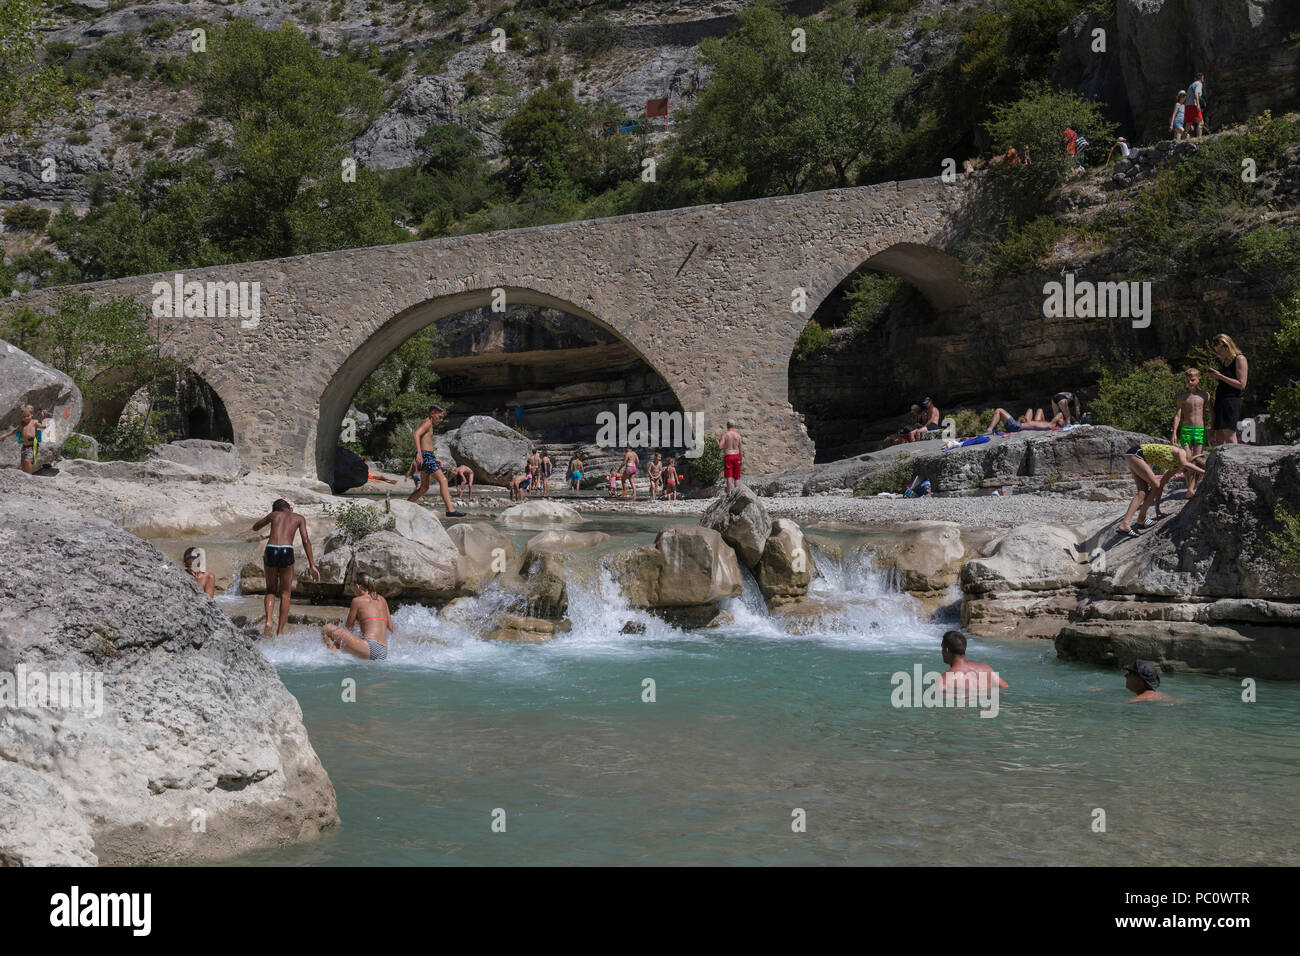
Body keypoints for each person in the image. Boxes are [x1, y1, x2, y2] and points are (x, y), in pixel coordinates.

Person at [252, 499, 320, 637]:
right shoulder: (299, 518)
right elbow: (306, 540)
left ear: (275, 510)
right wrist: (312, 564)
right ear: (291, 508)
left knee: (270, 590)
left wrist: (266, 520)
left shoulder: (274, 515)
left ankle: (269, 622)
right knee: (285, 593)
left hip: (271, 549)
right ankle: (280, 631)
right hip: (286, 550)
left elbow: (256, 527)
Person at [1115, 443, 1207, 537]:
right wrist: (1204, 471)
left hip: (1134, 456)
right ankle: (1136, 520)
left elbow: (1161, 485)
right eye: (1194, 471)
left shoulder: (1176, 467)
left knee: (1142, 492)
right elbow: (1185, 463)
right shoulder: (1182, 452)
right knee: (1155, 484)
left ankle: (1130, 522)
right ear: (1194, 464)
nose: (1192, 473)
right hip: (1136, 454)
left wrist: (1157, 509)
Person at [408, 405, 466, 517]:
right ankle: (450, 510)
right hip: (426, 456)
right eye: (439, 417)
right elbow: (416, 434)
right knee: (443, 480)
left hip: (428, 456)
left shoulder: (428, 423)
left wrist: (434, 458)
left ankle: (405, 504)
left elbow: (426, 442)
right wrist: (419, 453)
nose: (441, 420)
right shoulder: (427, 422)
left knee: (424, 487)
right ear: (432, 413)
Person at [322, 572, 393, 661]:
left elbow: (348, 628)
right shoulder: (382, 599)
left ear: (358, 586)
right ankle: (337, 656)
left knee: (327, 629)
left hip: (369, 647)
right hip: (383, 651)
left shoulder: (357, 601)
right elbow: (390, 628)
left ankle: (334, 659)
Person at [1171, 368, 1210, 495]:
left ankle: (1191, 488)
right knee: (1187, 459)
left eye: (1192, 380)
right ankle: (1190, 487)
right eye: (1187, 380)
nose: (1190, 382)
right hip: (1186, 429)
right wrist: (1174, 432)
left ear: (1199, 379)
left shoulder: (1205, 395)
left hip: (1200, 429)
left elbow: (1212, 412)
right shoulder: (1182, 397)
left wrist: (1213, 428)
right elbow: (1177, 415)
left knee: (1198, 460)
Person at [1207, 333, 1248, 446]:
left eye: (1220, 350)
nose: (1218, 353)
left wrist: (1220, 376)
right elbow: (1226, 382)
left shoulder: (1239, 359)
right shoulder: (1224, 361)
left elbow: (1241, 384)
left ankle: (1236, 461)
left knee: (1229, 434)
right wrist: (1216, 377)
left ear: (1227, 346)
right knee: (1219, 435)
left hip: (1231, 401)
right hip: (1220, 400)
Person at [938, 630, 1009, 693]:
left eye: (942, 648)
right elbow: (1005, 687)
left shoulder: (944, 680)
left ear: (947, 650)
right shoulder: (985, 668)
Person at [1, 404, 43, 475]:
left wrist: (44, 424)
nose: (26, 418)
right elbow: (15, 431)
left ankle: (30, 476)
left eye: (28, 416)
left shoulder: (34, 422)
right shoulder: (22, 425)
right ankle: (25, 477)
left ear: (32, 414)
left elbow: (40, 425)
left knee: (27, 461)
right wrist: (5, 435)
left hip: (32, 446)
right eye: (23, 417)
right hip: (24, 447)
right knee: (23, 464)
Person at [986, 408, 1064, 433]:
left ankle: (990, 429)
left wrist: (1065, 423)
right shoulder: (1047, 424)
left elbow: (1060, 414)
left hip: (1017, 426)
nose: (1060, 419)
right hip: (1017, 426)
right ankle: (993, 429)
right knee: (1032, 410)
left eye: (1060, 420)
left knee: (999, 410)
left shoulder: (1051, 425)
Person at [720, 420, 743, 491]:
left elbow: (720, 447)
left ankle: (729, 494)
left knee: (729, 475)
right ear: (734, 426)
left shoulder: (725, 435)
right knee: (737, 476)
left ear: (727, 426)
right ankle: (737, 494)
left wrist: (717, 441)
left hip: (728, 455)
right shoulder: (738, 435)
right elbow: (740, 449)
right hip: (736, 456)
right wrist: (741, 458)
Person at [1186, 72, 1206, 137]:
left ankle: (1182, 139)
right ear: (1201, 78)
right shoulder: (1199, 84)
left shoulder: (1191, 85)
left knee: (1188, 124)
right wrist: (1198, 104)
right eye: (1203, 78)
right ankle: (1199, 139)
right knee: (1201, 122)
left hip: (1188, 106)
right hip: (1194, 105)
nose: (1203, 79)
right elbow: (1196, 93)